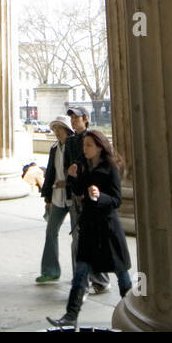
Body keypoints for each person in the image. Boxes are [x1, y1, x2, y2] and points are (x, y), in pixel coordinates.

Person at [47, 129, 132, 327]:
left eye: (89, 145)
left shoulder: (110, 168)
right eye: (84, 145)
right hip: (89, 227)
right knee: (80, 272)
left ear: (100, 147)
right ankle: (70, 316)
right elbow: (78, 191)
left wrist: (99, 196)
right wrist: (73, 177)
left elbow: (116, 200)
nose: (84, 149)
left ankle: (129, 311)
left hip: (108, 229)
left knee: (121, 273)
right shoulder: (84, 166)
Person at [64, 106, 108, 293]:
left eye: (77, 117)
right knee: (77, 238)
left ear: (86, 119)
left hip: (89, 194)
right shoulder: (70, 141)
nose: (73, 120)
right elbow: (68, 167)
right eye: (72, 118)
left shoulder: (94, 138)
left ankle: (100, 280)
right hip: (76, 193)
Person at [36, 117, 73, 284]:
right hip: (58, 197)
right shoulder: (54, 148)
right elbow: (50, 172)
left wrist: (67, 183)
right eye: (55, 128)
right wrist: (48, 198)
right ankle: (50, 271)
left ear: (67, 129)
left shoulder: (75, 147)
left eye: (59, 128)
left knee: (79, 237)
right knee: (51, 232)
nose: (56, 132)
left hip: (73, 198)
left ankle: (81, 274)